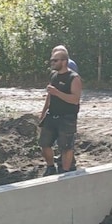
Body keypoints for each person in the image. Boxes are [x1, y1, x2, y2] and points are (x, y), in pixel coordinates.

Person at [38, 45, 82, 175]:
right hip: (52, 116)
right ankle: (50, 168)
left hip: (67, 117)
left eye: (55, 60)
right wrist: (43, 112)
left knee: (66, 147)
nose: (52, 62)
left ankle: (65, 171)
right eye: (52, 60)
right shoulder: (53, 75)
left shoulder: (74, 78)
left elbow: (75, 99)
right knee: (44, 143)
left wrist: (57, 92)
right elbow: (50, 96)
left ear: (64, 61)